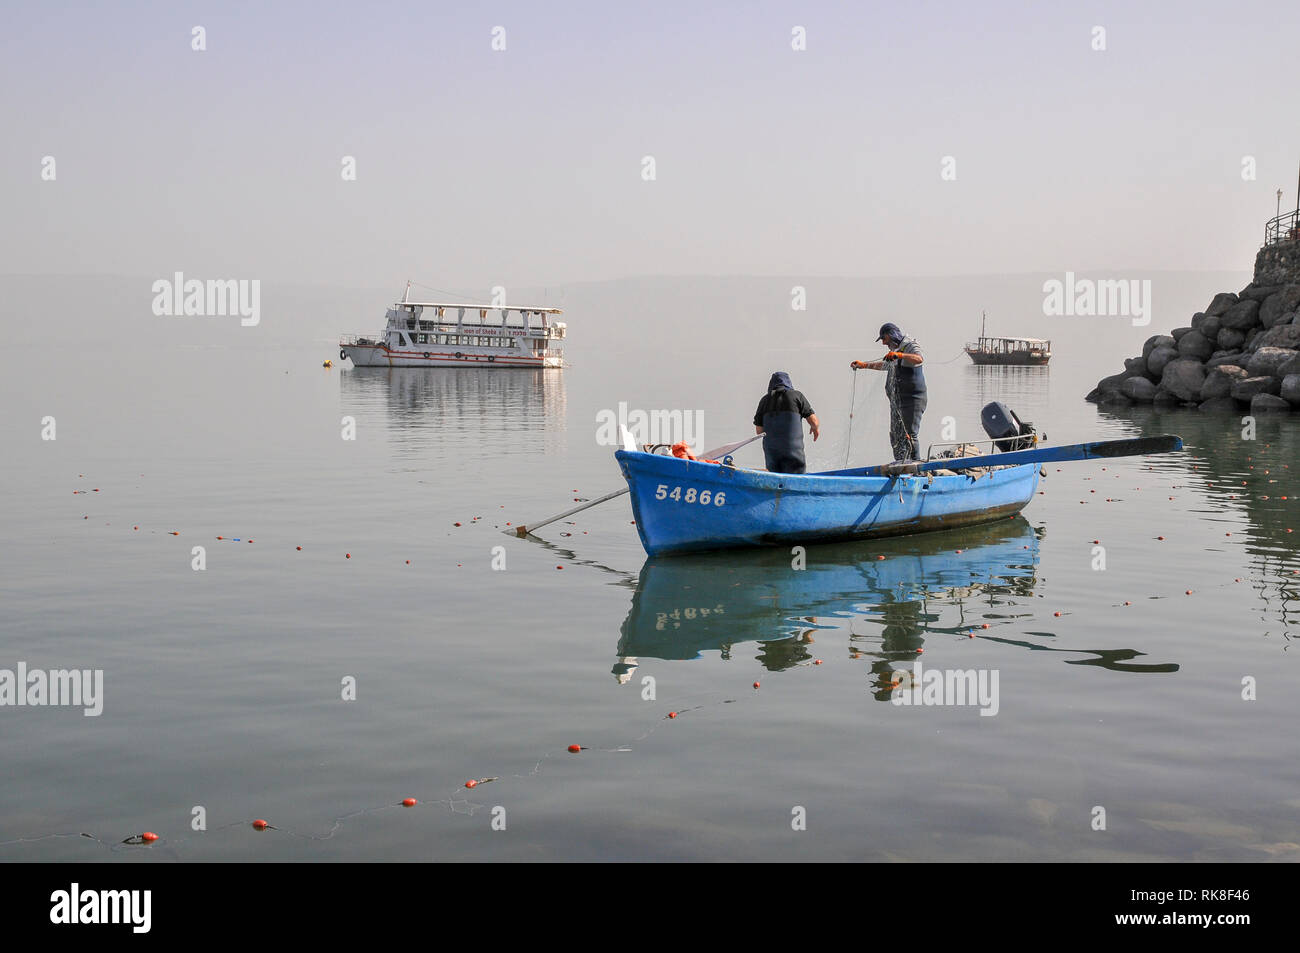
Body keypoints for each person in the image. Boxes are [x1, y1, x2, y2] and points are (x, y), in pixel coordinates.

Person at [851, 323, 926, 461]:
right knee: (896, 434)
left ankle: (916, 468)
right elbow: (886, 365)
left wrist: (900, 355)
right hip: (898, 400)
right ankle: (900, 463)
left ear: (892, 335)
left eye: (884, 339)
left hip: (913, 399)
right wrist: (864, 365)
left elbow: (919, 359)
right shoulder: (895, 351)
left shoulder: (910, 345)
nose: (884, 343)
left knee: (910, 434)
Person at [753, 371, 820, 474]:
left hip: (772, 452)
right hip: (793, 451)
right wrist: (815, 428)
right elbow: (814, 422)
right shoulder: (797, 396)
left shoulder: (764, 400)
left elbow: (759, 431)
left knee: (775, 478)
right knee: (796, 478)